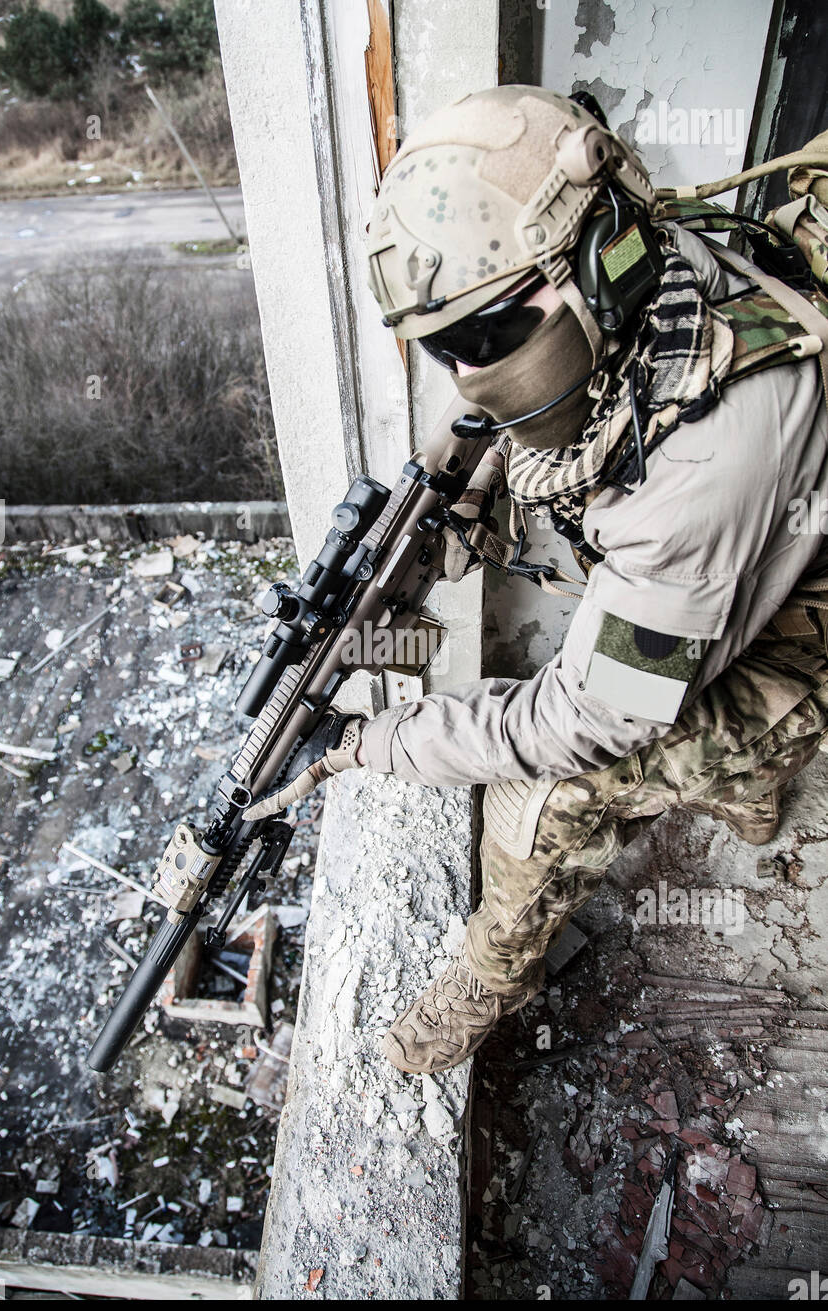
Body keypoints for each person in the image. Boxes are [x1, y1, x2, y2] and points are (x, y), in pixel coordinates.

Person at [249, 86, 828, 1075]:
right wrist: (427, 524)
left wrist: (370, 743)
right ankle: (742, 773)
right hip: (745, 548)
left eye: (482, 343)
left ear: (593, 264)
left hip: (791, 625)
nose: (466, 375)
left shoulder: (701, 468)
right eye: (442, 349)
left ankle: (490, 977)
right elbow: (484, 426)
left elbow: (598, 718)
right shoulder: (639, 274)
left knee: (540, 795)